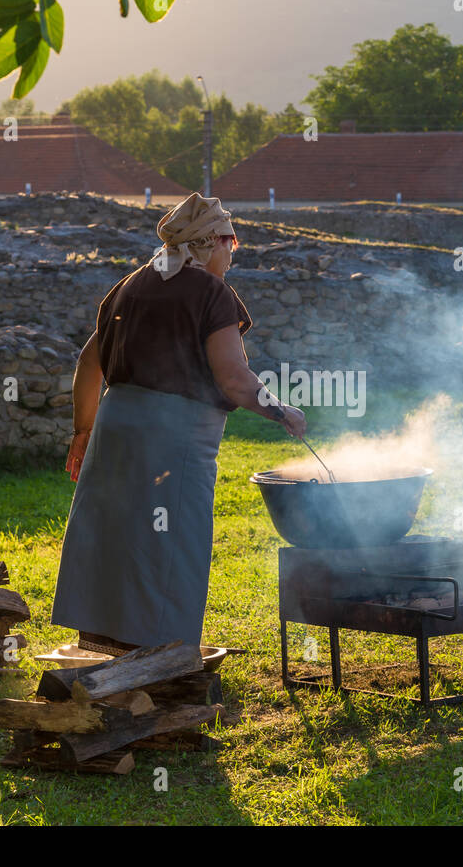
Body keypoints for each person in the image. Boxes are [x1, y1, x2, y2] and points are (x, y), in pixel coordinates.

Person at [51, 192, 306, 657]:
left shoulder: (131, 284)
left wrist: (83, 431)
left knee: (115, 535)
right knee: (167, 542)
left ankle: (107, 645)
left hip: (115, 427)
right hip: (173, 438)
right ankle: (161, 654)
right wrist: (281, 411)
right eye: (231, 241)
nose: (233, 251)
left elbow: (90, 362)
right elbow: (233, 378)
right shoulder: (211, 293)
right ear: (209, 243)